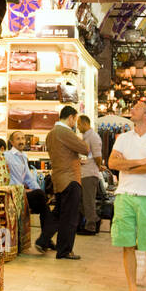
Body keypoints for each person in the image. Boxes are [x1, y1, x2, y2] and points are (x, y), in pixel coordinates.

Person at [108, 99, 146, 291]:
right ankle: (132, 290)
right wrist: (139, 161)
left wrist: (127, 166)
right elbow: (112, 163)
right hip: (124, 194)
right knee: (127, 244)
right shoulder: (123, 138)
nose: (132, 110)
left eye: (138, 108)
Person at [44, 106, 89, 259]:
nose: (74, 123)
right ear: (71, 117)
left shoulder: (50, 134)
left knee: (61, 215)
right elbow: (85, 148)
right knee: (70, 218)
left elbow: (62, 155)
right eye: (74, 120)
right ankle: (64, 250)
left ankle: (47, 242)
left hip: (59, 178)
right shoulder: (64, 132)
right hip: (70, 179)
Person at [5, 131, 56, 253]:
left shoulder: (24, 156)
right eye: (18, 139)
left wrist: (39, 191)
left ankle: (45, 239)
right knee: (41, 198)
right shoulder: (7, 155)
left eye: (23, 138)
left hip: (23, 191)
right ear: (12, 142)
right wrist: (40, 193)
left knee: (44, 205)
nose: (21, 141)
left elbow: (29, 178)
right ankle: (45, 239)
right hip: (14, 192)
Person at [77, 114, 103, 235]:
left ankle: (92, 226)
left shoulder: (93, 137)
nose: (77, 127)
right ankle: (91, 222)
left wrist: (97, 167)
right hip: (84, 173)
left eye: (79, 124)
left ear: (85, 124)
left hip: (90, 173)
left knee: (88, 201)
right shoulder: (85, 137)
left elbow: (98, 156)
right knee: (83, 201)